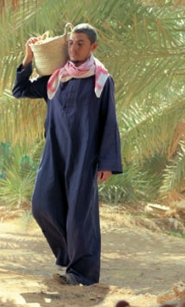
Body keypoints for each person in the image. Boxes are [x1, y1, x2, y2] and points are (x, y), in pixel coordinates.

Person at [12, 23, 123, 286]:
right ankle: (67, 256)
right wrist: (28, 57)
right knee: (42, 205)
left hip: (85, 156)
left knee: (79, 216)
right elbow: (20, 91)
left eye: (80, 43)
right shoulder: (55, 77)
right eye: (71, 43)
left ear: (93, 46)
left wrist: (106, 162)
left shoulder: (102, 81)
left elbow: (110, 121)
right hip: (55, 152)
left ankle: (82, 274)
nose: (74, 48)